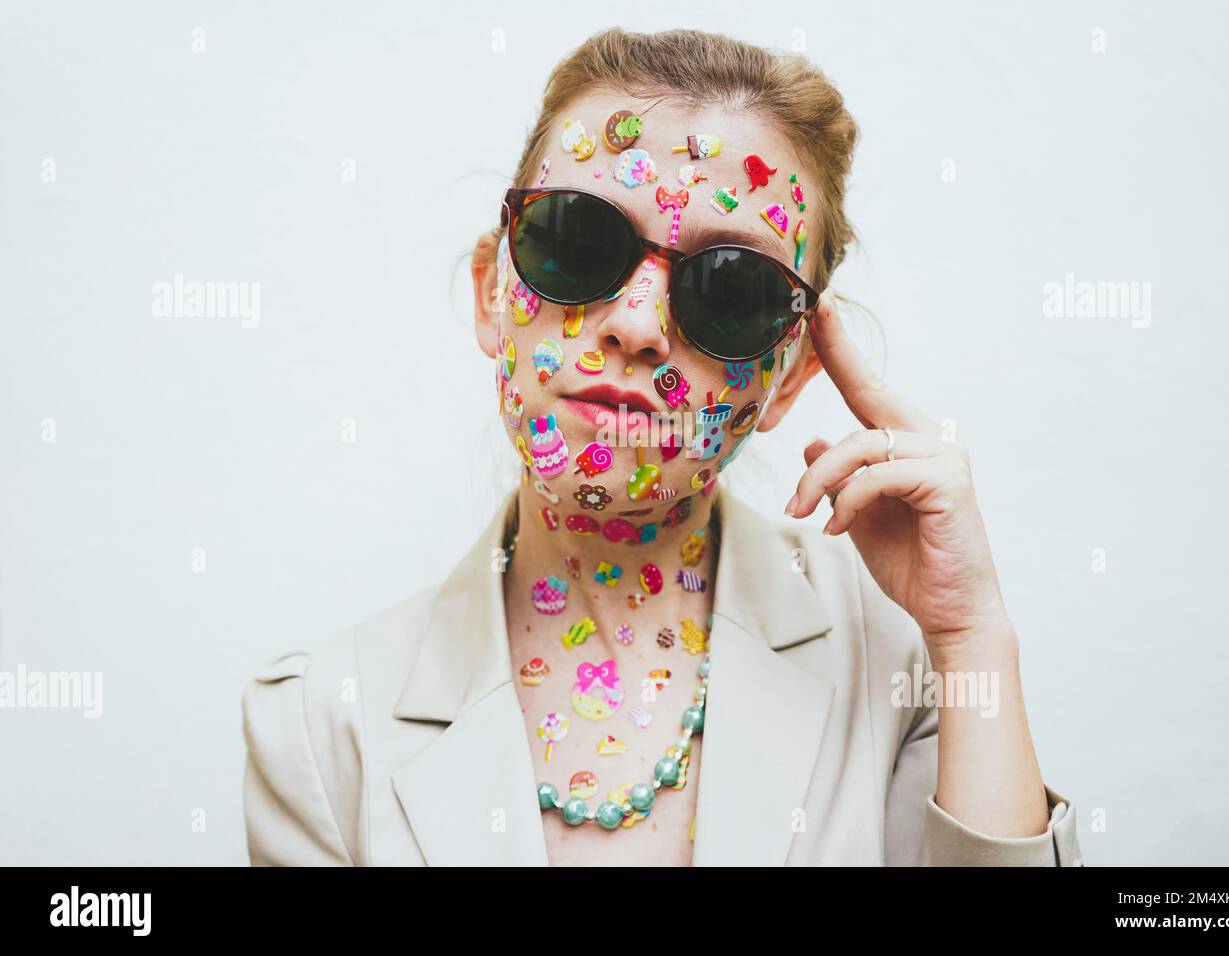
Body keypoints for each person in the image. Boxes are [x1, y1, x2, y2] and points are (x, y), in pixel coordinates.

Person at [241, 28, 1082, 866]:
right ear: (491, 294)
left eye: (732, 289)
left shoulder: (900, 660)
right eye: (574, 244)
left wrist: (973, 637)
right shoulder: (322, 728)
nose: (638, 325)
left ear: (788, 378)